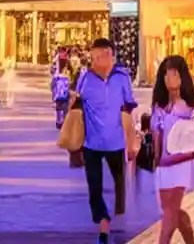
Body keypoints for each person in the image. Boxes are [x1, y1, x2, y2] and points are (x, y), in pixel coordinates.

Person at [70, 38, 137, 244]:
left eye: (100, 56)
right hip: (92, 143)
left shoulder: (122, 77)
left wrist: (132, 140)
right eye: (93, 57)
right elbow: (75, 106)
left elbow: (129, 107)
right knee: (94, 187)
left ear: (110, 55)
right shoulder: (85, 77)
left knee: (119, 182)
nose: (95, 61)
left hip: (116, 142)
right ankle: (103, 224)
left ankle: (119, 216)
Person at [151, 55, 194, 244]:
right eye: (165, 74)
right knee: (170, 210)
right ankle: (190, 239)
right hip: (162, 163)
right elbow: (155, 135)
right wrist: (152, 160)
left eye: (173, 74)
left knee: (170, 212)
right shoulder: (158, 106)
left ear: (181, 77)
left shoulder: (190, 108)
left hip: (182, 162)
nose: (168, 78)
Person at [51, 63, 72, 129]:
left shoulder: (56, 77)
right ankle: (64, 122)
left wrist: (53, 94)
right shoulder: (68, 78)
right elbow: (70, 86)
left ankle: (58, 121)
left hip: (58, 95)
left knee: (58, 109)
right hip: (65, 95)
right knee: (65, 109)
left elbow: (52, 86)